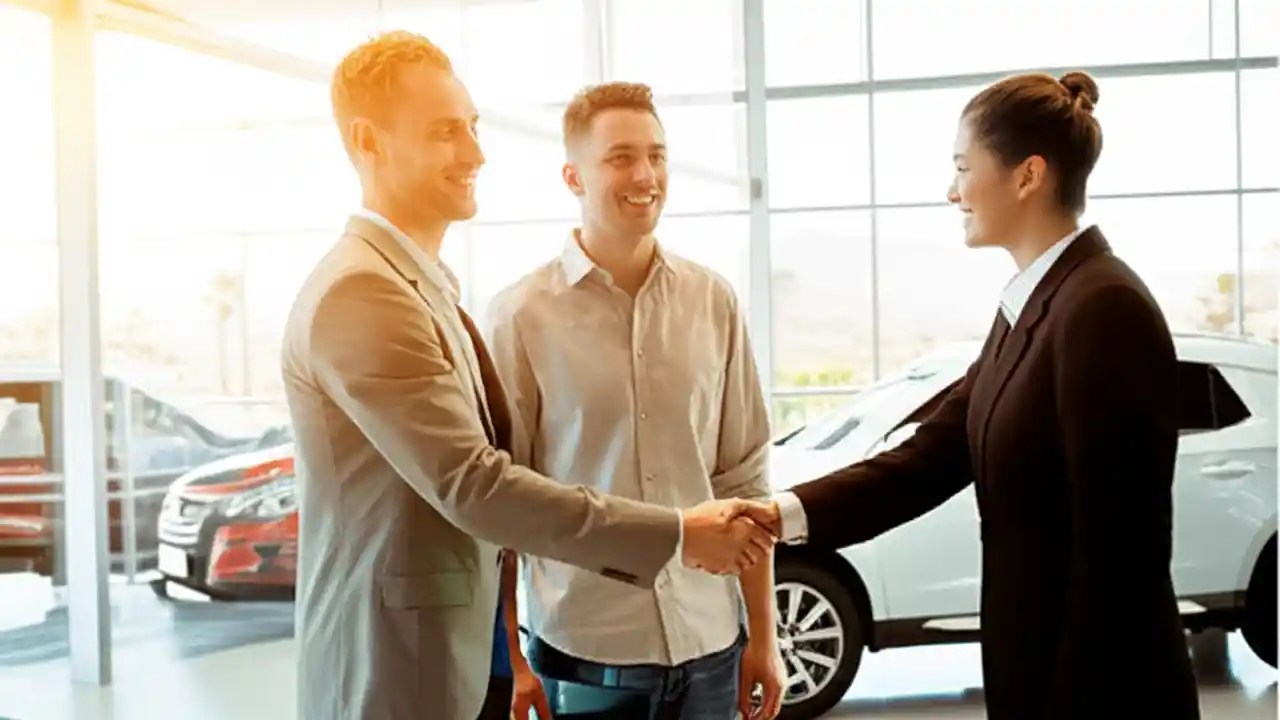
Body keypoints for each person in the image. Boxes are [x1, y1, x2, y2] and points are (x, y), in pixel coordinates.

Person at [280, 32, 775, 720]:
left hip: (455, 656)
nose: (476, 153)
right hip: (397, 667)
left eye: (474, 128)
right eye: (447, 131)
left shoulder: (418, 288)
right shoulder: (364, 294)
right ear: (369, 141)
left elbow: (742, 468)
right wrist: (678, 533)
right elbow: (477, 483)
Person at [754, 71, 1202, 719]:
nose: (951, 191)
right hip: (1035, 674)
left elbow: (1117, 559)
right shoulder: (1033, 306)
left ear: (1027, 176)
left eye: (963, 167)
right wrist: (779, 517)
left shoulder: (1104, 308)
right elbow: (927, 460)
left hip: (1097, 694)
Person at [484, 82, 786, 720]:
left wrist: (765, 634)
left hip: (711, 645)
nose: (645, 174)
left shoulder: (714, 302)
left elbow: (746, 479)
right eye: (620, 157)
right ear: (573, 175)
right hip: (586, 650)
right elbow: (502, 505)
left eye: (657, 154)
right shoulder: (520, 315)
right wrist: (509, 658)